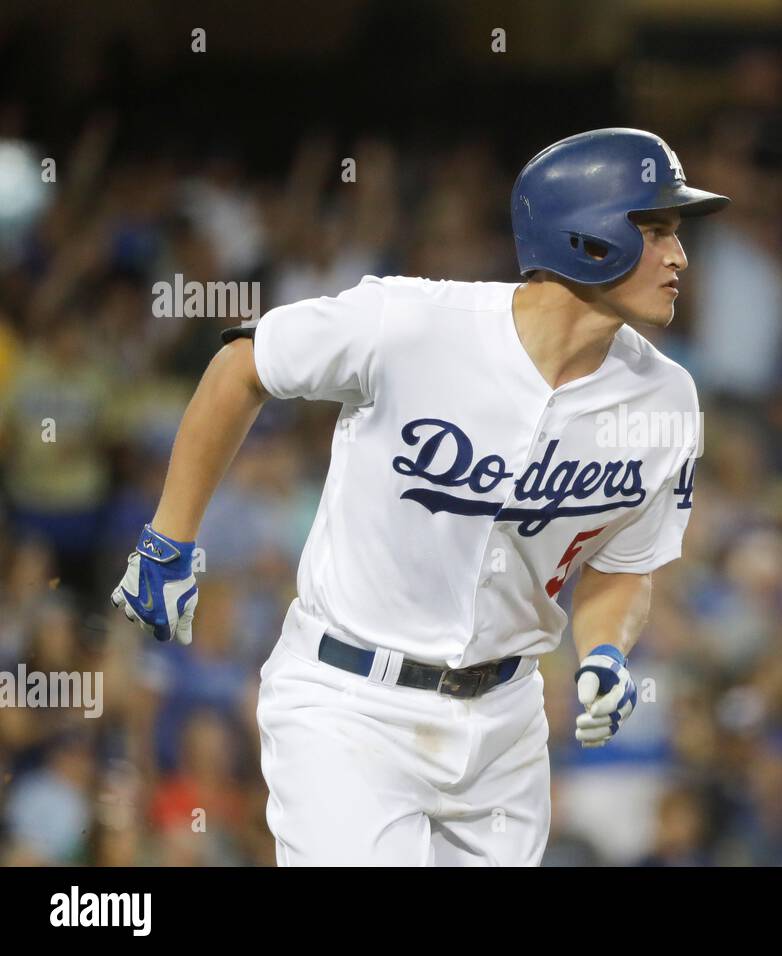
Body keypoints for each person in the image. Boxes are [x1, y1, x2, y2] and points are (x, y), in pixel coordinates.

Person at [109, 128, 728, 865]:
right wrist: (169, 535)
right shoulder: (414, 323)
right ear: (587, 236)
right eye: (655, 230)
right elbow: (245, 363)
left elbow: (624, 567)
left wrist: (604, 653)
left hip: (505, 724)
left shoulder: (667, 398)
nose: (679, 257)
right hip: (348, 704)